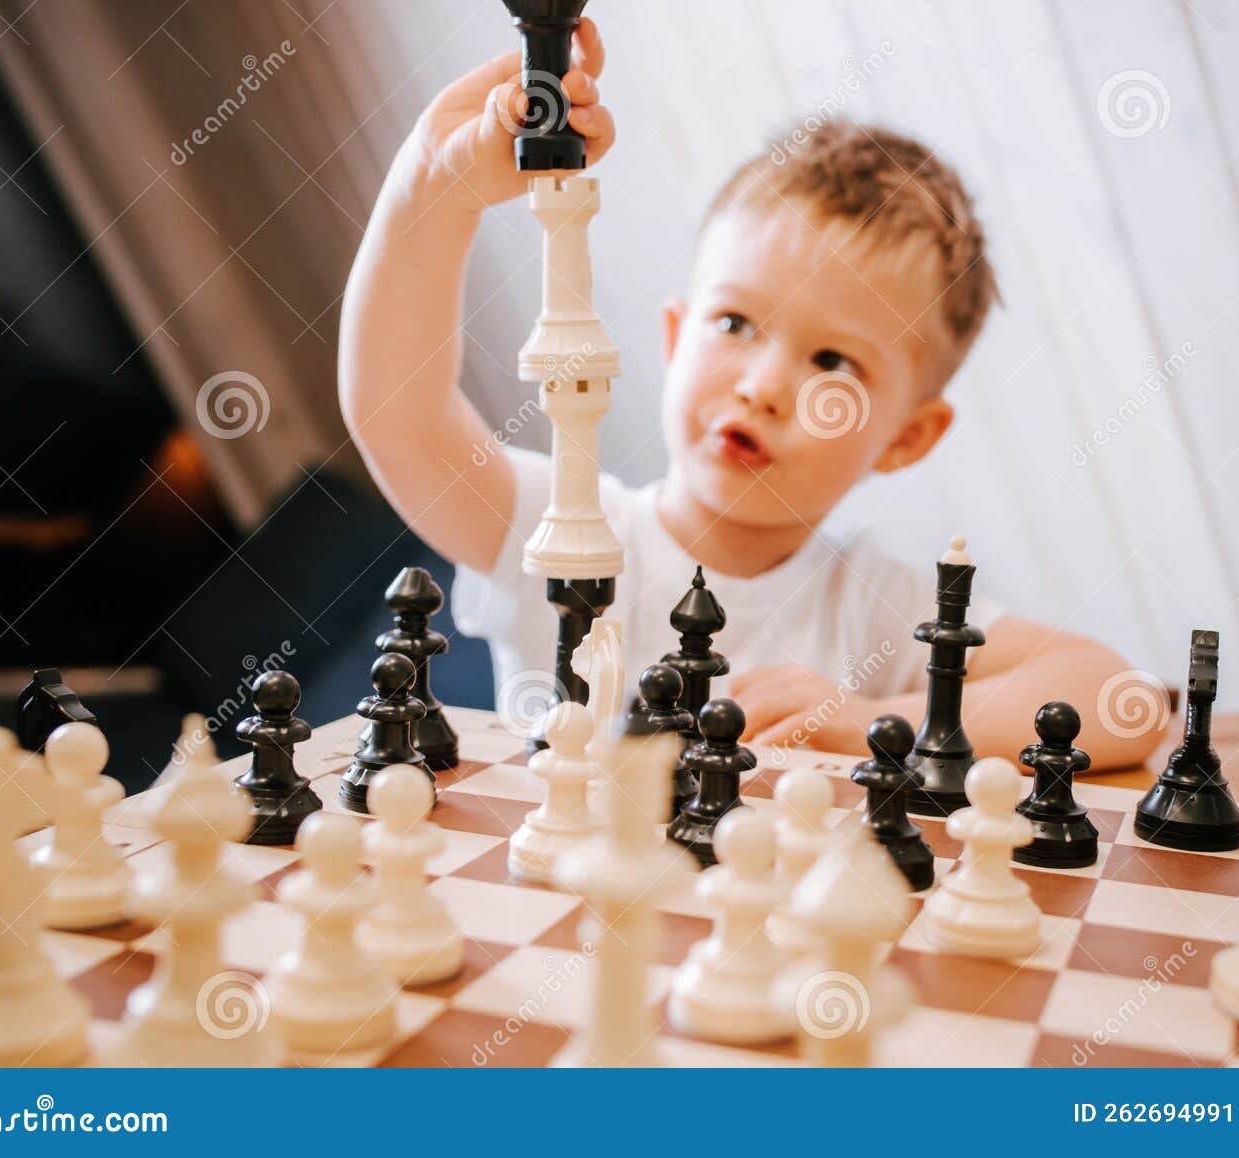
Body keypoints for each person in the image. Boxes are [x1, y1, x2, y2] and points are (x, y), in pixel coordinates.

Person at [339, 19, 1166, 766]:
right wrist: (435, 188)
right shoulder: (571, 529)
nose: (766, 387)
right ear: (674, 339)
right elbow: (396, 414)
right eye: (735, 324)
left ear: (909, 437)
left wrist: (876, 720)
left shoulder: (874, 610)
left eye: (833, 363)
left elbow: (1117, 699)